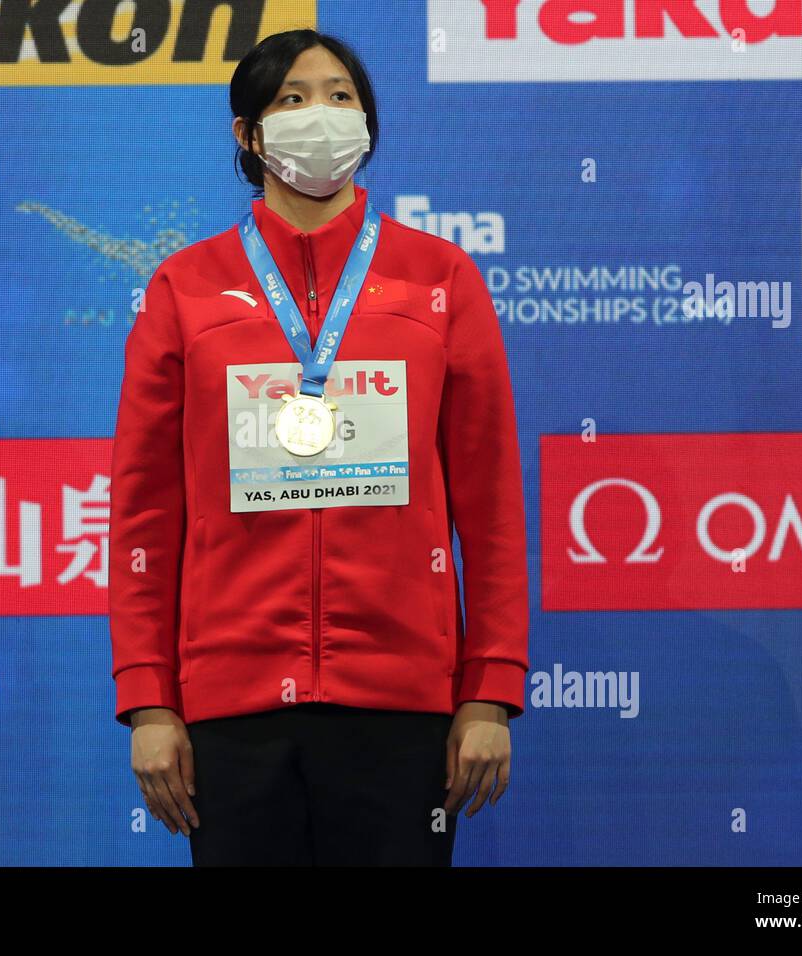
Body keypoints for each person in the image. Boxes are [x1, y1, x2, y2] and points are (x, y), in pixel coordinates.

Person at [108, 29, 529, 866]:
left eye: (341, 96)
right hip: (229, 705)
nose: (321, 115)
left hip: (405, 699)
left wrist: (489, 688)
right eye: (292, 99)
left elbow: (490, 504)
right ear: (247, 133)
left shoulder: (440, 278)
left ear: (369, 121)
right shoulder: (185, 287)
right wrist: (150, 701)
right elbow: (145, 511)